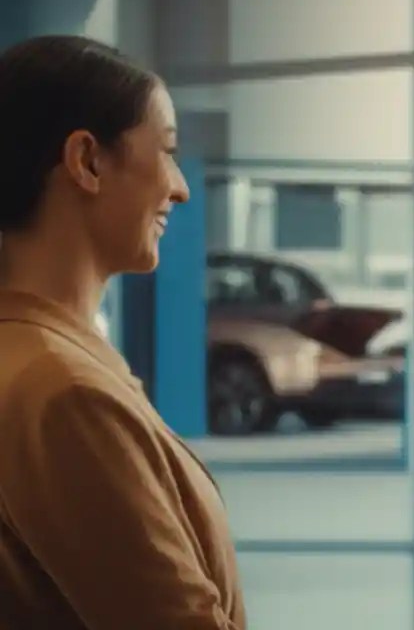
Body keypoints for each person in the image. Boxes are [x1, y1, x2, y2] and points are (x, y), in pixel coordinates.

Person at [0, 36, 245, 628]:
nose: (180, 187)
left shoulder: (33, 357)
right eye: (166, 151)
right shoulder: (63, 392)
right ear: (86, 160)